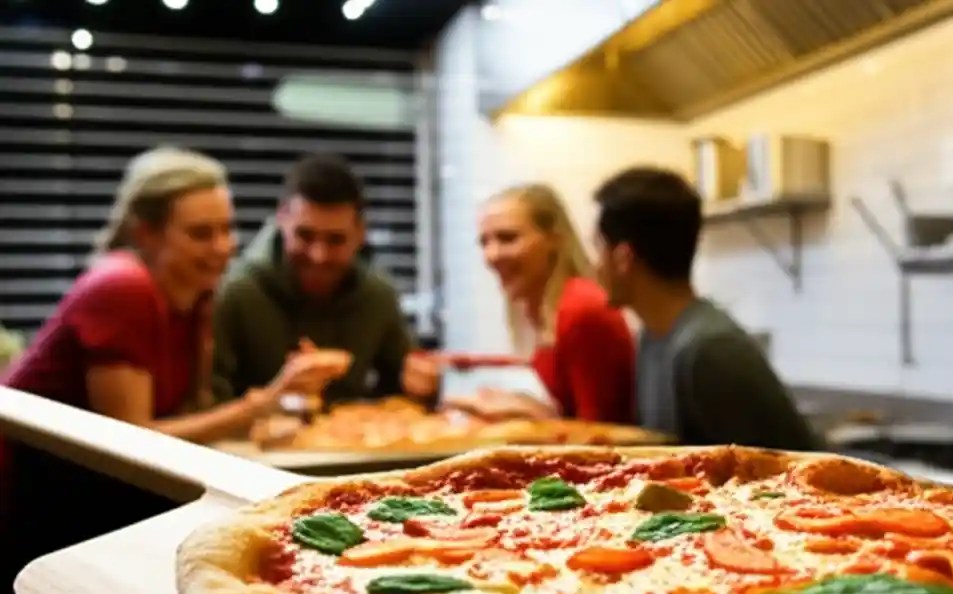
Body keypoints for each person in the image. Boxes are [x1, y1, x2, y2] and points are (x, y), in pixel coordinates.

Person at [0, 147, 334, 594]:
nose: (222, 247)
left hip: (86, 497)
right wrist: (260, 404)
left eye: (226, 229)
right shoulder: (123, 287)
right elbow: (129, 440)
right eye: (201, 233)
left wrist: (271, 411)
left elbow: (184, 411)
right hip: (36, 502)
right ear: (146, 232)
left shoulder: (192, 292)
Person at [590, 167, 821, 450]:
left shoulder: (708, 350)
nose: (596, 266)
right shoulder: (652, 338)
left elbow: (767, 475)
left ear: (623, 259)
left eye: (598, 249)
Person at [211, 154, 438, 406]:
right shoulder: (235, 293)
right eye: (305, 236)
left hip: (352, 437)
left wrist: (423, 387)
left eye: (336, 240)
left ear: (360, 233)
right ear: (281, 219)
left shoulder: (378, 296)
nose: (318, 256)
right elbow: (210, 401)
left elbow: (403, 388)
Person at [444, 184, 635, 423]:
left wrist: (531, 414)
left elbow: (603, 432)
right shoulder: (547, 308)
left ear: (554, 238)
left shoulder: (581, 308)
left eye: (508, 238)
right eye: (484, 242)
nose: (491, 255)